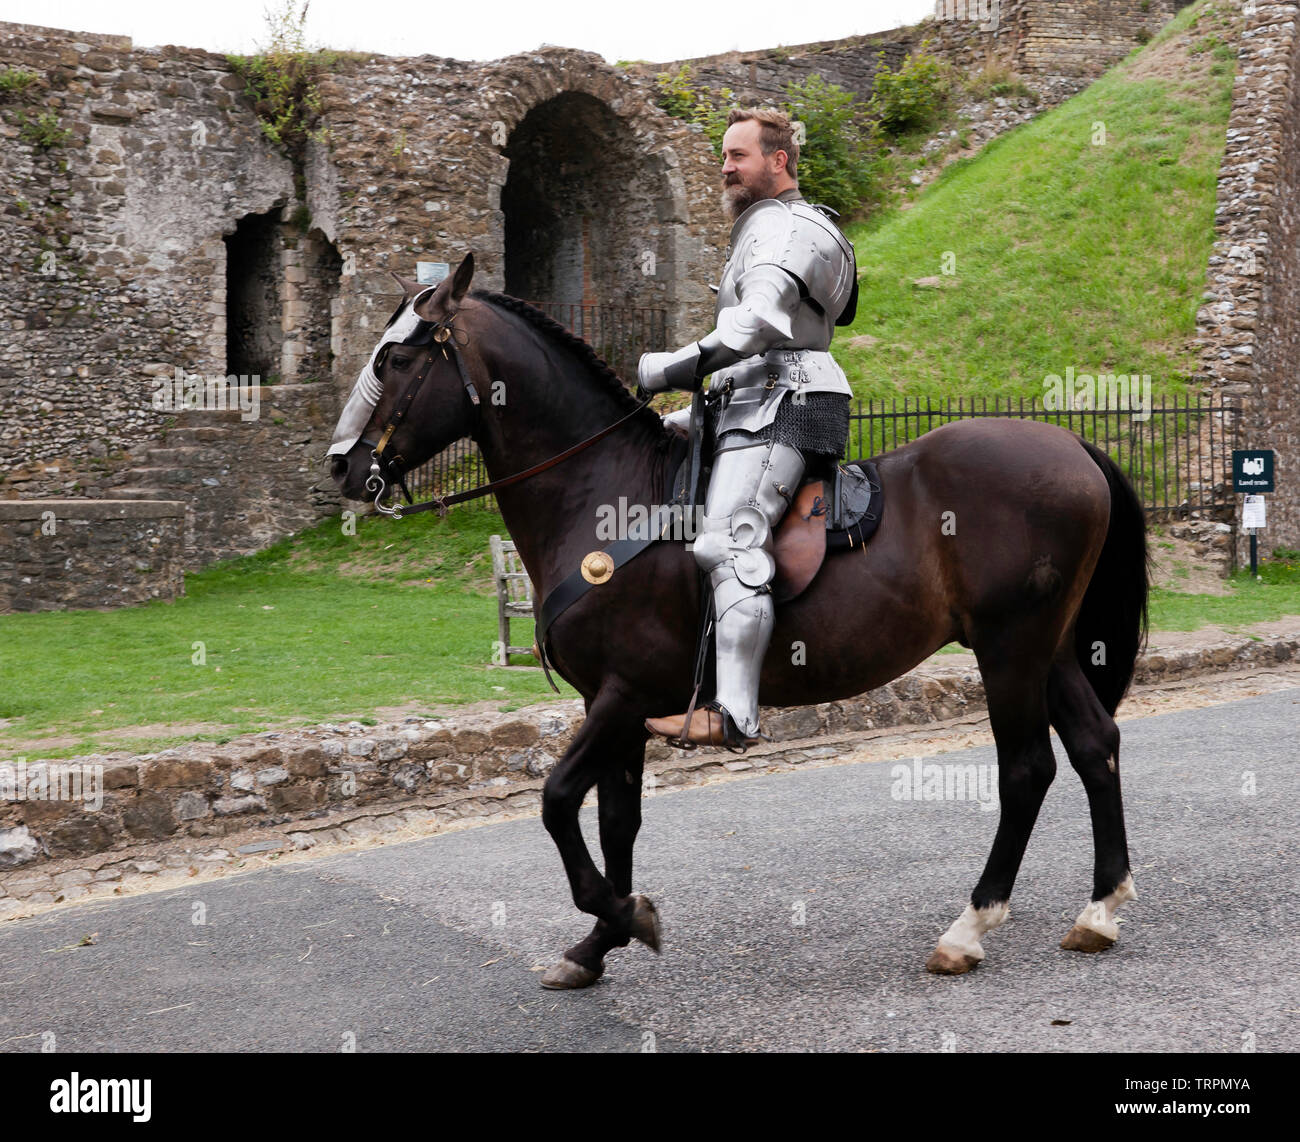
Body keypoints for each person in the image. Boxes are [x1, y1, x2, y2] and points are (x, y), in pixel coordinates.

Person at [638, 107, 859, 749]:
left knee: (729, 542)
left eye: (738, 156)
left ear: (778, 161)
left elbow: (753, 328)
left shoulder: (785, 229)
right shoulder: (773, 228)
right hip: (755, 397)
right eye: (725, 157)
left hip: (785, 401)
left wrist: (661, 368)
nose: (725, 168)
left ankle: (732, 713)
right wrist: (685, 415)